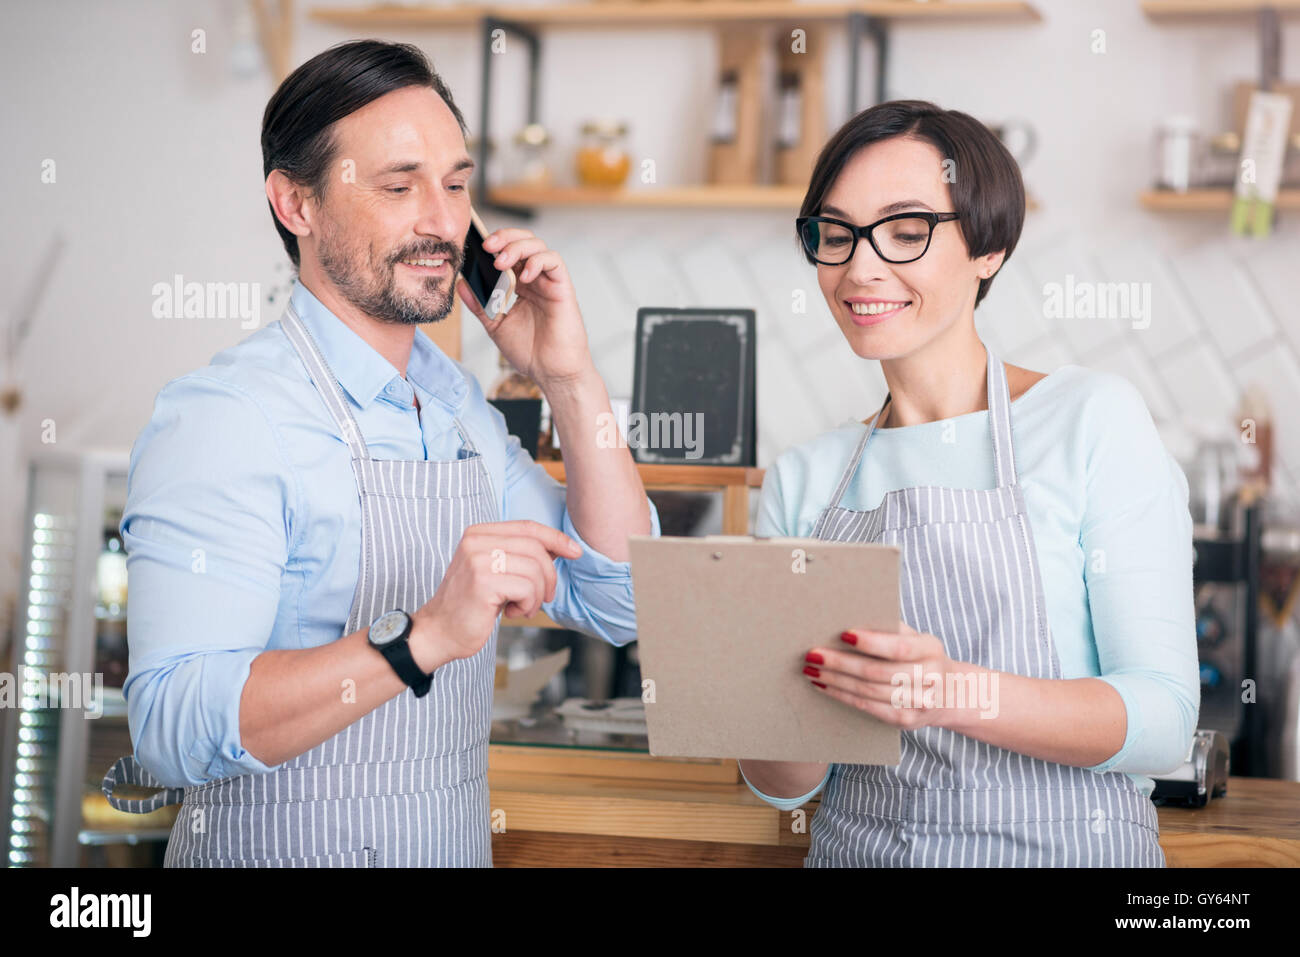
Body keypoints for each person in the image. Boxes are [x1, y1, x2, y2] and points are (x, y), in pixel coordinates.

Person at [102, 39, 659, 867]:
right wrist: (421, 637)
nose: (442, 220)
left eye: (457, 184)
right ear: (297, 204)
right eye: (400, 187)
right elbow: (173, 728)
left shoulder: (458, 404)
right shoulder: (226, 417)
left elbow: (624, 597)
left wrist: (567, 377)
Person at [737, 100, 1199, 867]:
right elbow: (783, 785)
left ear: (990, 246)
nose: (861, 266)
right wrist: (762, 698)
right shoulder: (805, 479)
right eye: (836, 232)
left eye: (907, 230)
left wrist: (948, 691)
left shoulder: (1090, 421)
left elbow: (1162, 719)